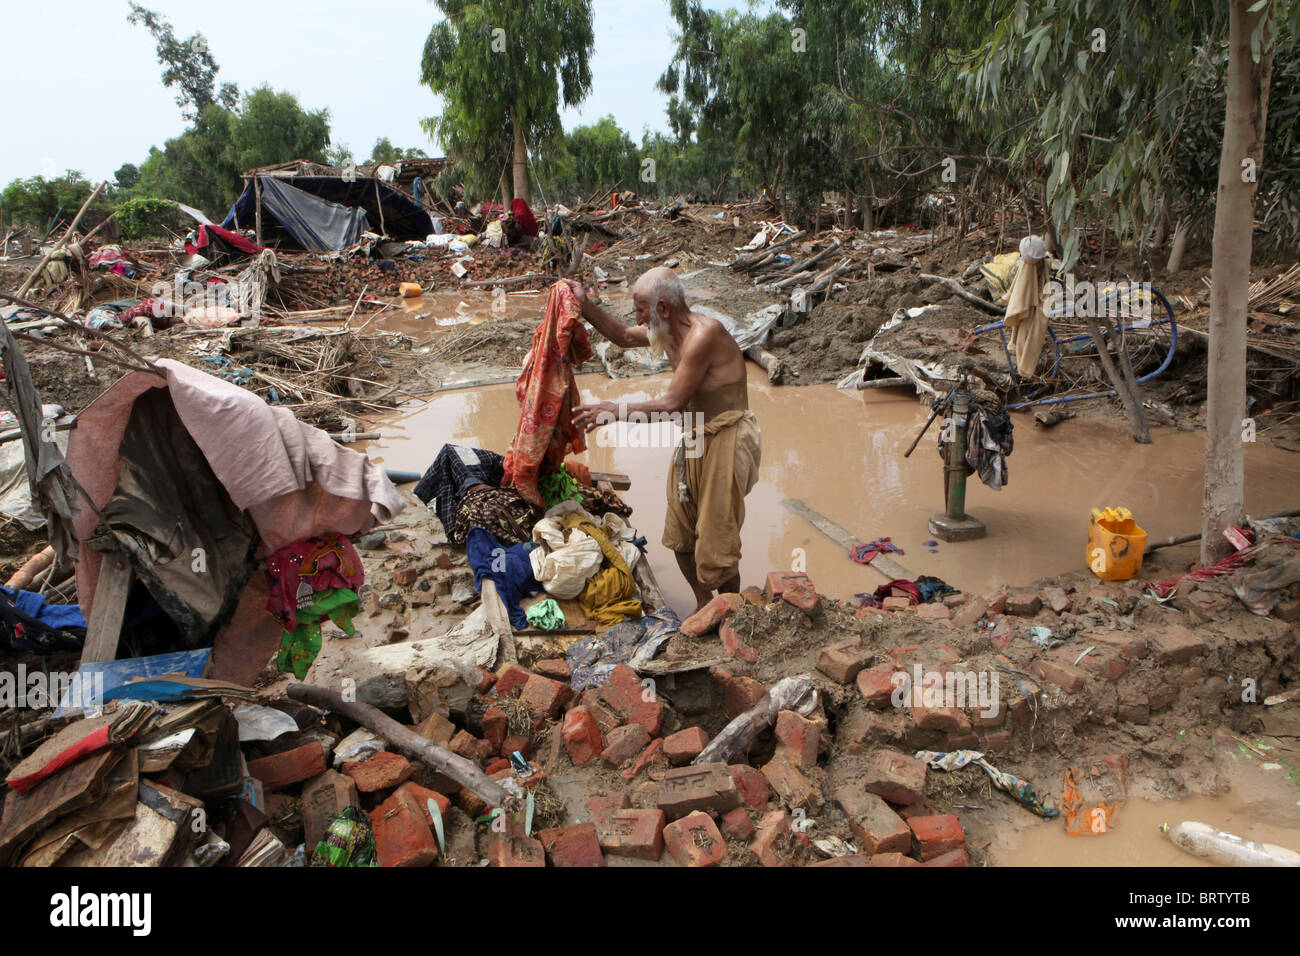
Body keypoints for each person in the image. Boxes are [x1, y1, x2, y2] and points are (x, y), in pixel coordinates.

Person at [565, 268, 761, 610]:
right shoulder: (668, 330)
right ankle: (703, 605)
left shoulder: (703, 335)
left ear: (664, 308)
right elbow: (624, 336)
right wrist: (585, 306)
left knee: (717, 540)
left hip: (726, 436)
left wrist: (612, 410)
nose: (637, 317)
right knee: (680, 533)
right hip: (695, 434)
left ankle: (732, 612)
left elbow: (672, 404)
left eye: (641, 309)